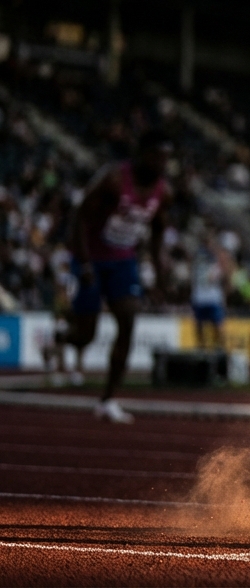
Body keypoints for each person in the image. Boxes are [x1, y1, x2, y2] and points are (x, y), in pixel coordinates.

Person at [61, 129, 172, 423]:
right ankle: (61, 336)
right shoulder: (113, 180)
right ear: (143, 155)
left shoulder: (163, 192)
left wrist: (160, 273)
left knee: (128, 320)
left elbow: (159, 230)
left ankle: (108, 400)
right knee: (86, 335)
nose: (163, 164)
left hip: (124, 261)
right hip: (91, 258)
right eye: (158, 157)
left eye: (167, 158)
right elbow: (79, 218)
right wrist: (84, 264)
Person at [189, 230, 233, 351]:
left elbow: (227, 273)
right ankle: (201, 351)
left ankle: (220, 351)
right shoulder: (197, 255)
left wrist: (225, 293)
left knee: (217, 326)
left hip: (213, 296)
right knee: (200, 326)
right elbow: (193, 275)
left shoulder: (218, 256)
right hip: (200, 296)